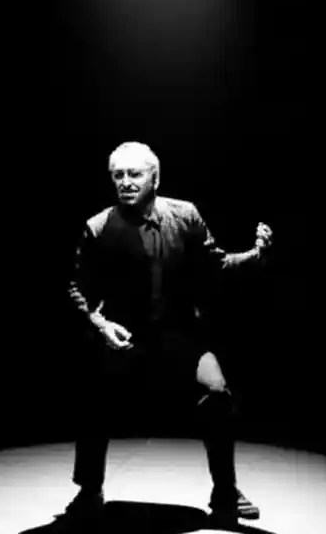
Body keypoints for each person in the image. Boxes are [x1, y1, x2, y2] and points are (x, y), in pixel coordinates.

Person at [61, 141, 273, 525]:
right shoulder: (98, 227)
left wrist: (255, 256)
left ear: (154, 178)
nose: (126, 182)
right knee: (92, 394)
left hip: (180, 336)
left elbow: (216, 265)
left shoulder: (185, 215)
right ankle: (89, 489)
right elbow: (75, 286)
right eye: (118, 175)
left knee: (218, 393)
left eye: (135, 174)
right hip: (125, 339)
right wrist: (99, 324)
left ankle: (225, 490)